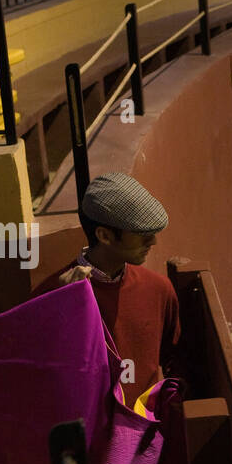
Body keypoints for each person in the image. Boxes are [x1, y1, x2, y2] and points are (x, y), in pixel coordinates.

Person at [36, 172, 181, 406]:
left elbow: (176, 362)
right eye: (141, 234)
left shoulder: (159, 290)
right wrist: (62, 312)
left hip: (145, 433)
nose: (153, 241)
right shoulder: (50, 297)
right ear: (104, 235)